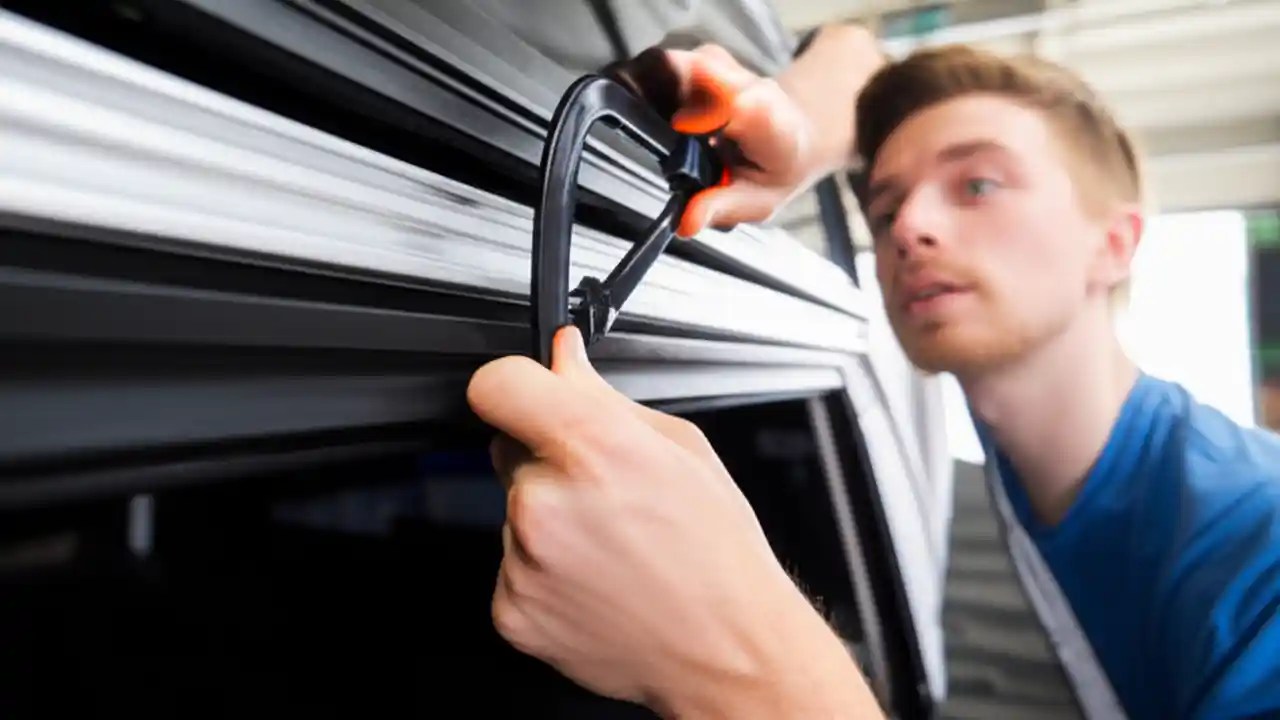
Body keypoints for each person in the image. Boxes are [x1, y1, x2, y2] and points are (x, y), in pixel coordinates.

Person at [465, 22, 1280, 720]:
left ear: (1116, 242)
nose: (909, 227)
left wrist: (735, 661)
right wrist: (794, 126)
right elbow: (857, 55)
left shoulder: (1257, 549)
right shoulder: (1042, 471)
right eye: (886, 207)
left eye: (979, 183)